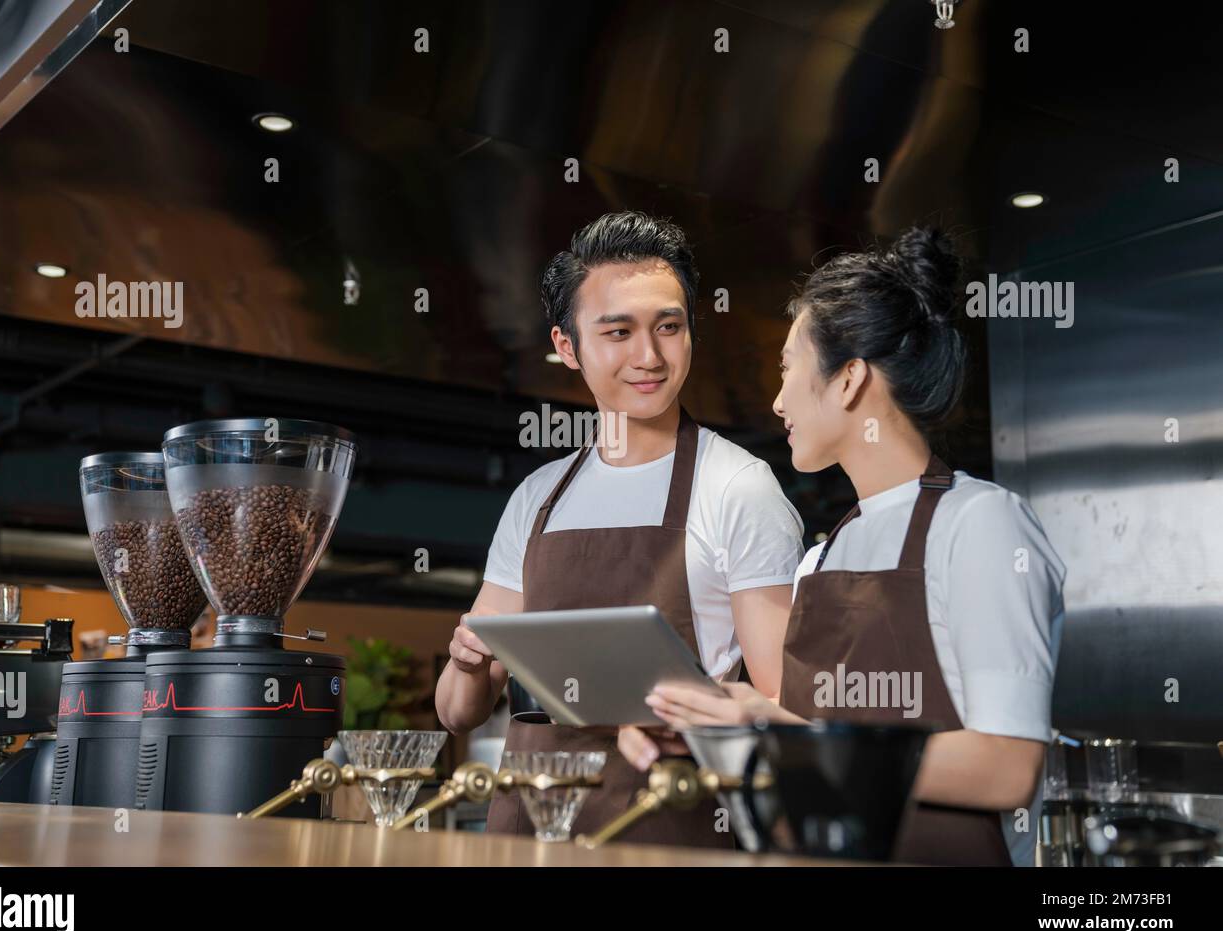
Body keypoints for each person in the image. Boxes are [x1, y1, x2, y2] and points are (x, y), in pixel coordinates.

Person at [631, 227, 1065, 866]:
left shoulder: (982, 525)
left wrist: (777, 727)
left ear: (849, 381)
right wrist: (706, 726)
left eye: (787, 368)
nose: (777, 401)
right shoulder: (822, 558)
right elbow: (800, 738)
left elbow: (1004, 767)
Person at [434, 210, 804, 846]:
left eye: (669, 327)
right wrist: (468, 665)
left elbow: (783, 710)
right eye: (619, 332)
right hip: (531, 826)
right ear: (568, 346)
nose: (649, 356)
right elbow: (457, 712)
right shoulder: (538, 497)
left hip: (670, 820)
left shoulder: (738, 487)